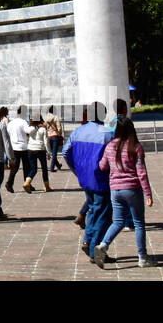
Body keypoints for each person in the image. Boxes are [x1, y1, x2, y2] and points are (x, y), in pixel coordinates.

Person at [92, 119, 155, 268]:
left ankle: (103, 245)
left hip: (115, 190)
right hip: (132, 189)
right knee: (139, 223)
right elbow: (142, 173)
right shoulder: (136, 147)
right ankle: (142, 257)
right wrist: (148, 194)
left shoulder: (110, 146)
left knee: (118, 221)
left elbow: (102, 166)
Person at [63, 103, 114, 263]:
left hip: (84, 178)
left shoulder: (78, 132)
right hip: (102, 179)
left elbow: (65, 152)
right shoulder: (108, 134)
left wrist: (76, 169)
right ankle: (95, 251)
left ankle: (87, 240)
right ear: (103, 115)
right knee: (103, 216)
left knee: (93, 210)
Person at [5, 106, 31, 193]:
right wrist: (35, 126)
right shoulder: (23, 122)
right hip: (23, 147)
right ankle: (27, 184)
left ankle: (10, 183)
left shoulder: (11, 123)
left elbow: (7, 133)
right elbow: (28, 131)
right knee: (26, 167)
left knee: (14, 167)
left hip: (13, 147)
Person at [27, 116, 52, 192]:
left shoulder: (30, 129)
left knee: (33, 169)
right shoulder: (43, 129)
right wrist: (49, 152)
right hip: (40, 150)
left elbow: (26, 132)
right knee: (44, 168)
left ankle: (27, 182)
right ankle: (46, 186)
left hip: (30, 149)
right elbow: (46, 141)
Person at [43, 106, 64, 171]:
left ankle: (58, 165)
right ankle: (52, 168)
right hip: (55, 136)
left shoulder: (46, 118)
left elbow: (45, 127)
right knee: (54, 153)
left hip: (49, 136)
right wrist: (60, 133)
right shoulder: (55, 117)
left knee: (53, 152)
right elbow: (59, 128)